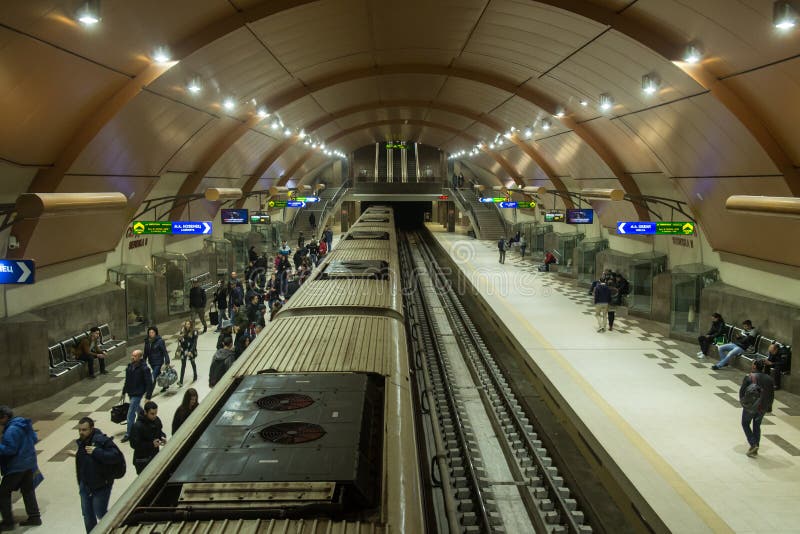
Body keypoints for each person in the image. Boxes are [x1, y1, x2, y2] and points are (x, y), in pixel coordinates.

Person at [75, 417, 122, 532]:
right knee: (87, 515)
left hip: (101, 485)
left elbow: (116, 456)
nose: (81, 432)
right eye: (80, 430)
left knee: (101, 513)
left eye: (84, 430)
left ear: (92, 429)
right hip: (85, 485)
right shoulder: (81, 442)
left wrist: (97, 452)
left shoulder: (102, 441)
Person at [0, 406, 41, 531]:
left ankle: (8, 522)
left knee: (3, 493)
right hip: (29, 463)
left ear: (5, 417)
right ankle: (34, 517)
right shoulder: (23, 423)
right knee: (27, 490)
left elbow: (9, 449)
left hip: (16, 466)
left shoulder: (12, 429)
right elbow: (34, 438)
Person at [739, 359, 775, 457]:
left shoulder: (749, 377)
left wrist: (743, 403)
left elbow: (742, 392)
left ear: (754, 366)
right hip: (763, 407)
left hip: (751, 406)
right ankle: (755, 448)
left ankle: (753, 444)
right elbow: (771, 394)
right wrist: (769, 407)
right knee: (757, 425)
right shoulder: (769, 378)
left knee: (745, 423)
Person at [121, 350, 152, 443]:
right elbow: (127, 381)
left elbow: (149, 382)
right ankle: (144, 414)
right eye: (132, 355)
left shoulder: (144, 368)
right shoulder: (130, 367)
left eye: (134, 356)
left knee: (130, 413)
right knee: (137, 408)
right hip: (131, 392)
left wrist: (148, 396)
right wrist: (123, 392)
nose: (132, 357)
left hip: (138, 393)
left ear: (140, 357)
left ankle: (128, 434)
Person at [129, 401, 165, 475]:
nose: (154, 416)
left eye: (156, 413)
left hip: (154, 456)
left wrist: (162, 437)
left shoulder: (156, 420)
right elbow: (134, 444)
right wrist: (151, 444)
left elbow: (159, 431)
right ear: (145, 412)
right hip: (142, 461)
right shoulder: (137, 426)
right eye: (152, 414)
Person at [144, 326, 170, 393]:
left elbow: (164, 351)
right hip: (151, 362)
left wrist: (167, 361)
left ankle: (149, 392)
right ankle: (165, 385)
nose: (151, 334)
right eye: (150, 332)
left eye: (152, 332)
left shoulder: (160, 341)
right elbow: (145, 353)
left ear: (155, 333)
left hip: (158, 362)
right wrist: (143, 361)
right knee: (158, 375)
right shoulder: (147, 342)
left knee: (153, 376)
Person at [176, 320, 198, 387]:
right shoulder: (183, 331)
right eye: (186, 324)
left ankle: (195, 374)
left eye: (188, 324)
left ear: (191, 325)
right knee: (183, 365)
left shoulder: (194, 332)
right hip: (184, 349)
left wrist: (191, 351)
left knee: (192, 362)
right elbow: (180, 341)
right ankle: (181, 381)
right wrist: (180, 338)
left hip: (191, 349)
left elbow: (194, 343)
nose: (187, 325)